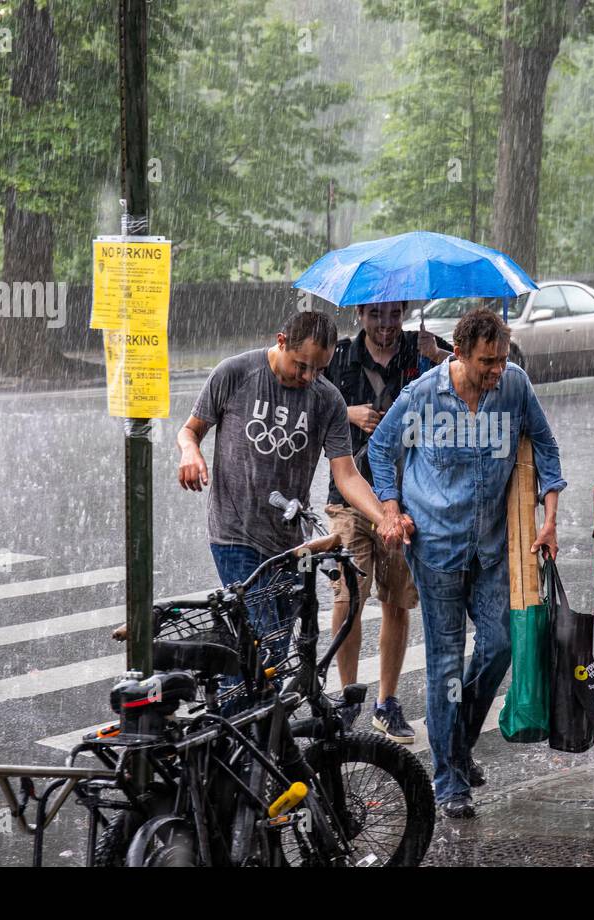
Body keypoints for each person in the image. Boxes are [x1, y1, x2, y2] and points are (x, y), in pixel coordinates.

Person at [367, 308, 566, 818]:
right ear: (459, 353)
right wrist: (391, 507)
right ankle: (449, 778)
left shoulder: (515, 386)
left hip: (492, 548)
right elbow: (380, 448)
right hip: (435, 547)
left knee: (500, 644)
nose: (495, 370)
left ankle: (457, 739)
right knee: (446, 662)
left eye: (500, 360)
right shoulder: (423, 395)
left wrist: (550, 518)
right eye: (486, 362)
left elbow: (546, 446)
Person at [177, 311, 411, 688]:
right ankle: (236, 726)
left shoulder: (327, 399)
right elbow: (191, 431)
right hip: (234, 533)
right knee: (265, 643)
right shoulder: (235, 373)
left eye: (319, 369)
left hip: (289, 541)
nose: (308, 377)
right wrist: (190, 452)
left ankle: (242, 726)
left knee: (274, 650)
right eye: (301, 366)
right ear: (281, 340)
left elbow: (346, 473)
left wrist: (383, 515)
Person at [323, 301, 452, 739]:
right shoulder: (339, 357)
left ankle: (387, 700)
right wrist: (348, 413)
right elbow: (307, 395)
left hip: (405, 498)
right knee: (348, 597)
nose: (385, 326)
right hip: (348, 496)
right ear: (360, 316)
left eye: (394, 315)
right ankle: (347, 695)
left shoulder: (422, 353)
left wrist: (437, 357)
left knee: (397, 599)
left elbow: (476, 372)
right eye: (376, 316)